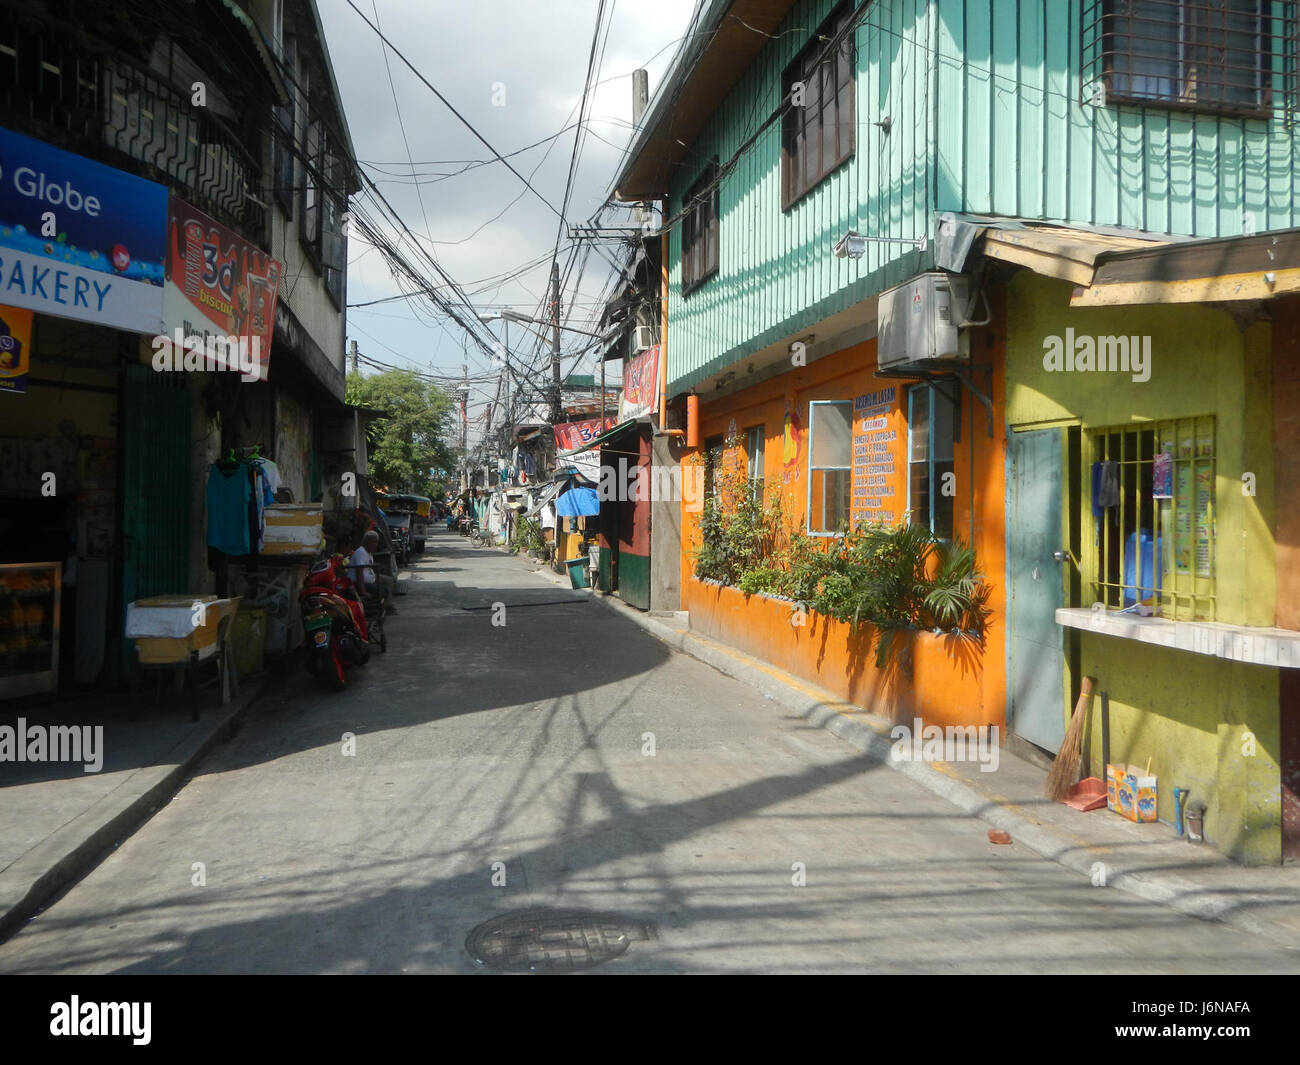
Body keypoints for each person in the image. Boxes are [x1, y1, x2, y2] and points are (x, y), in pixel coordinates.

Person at [349, 529, 397, 614]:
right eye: (374, 542)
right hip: (360, 583)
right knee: (384, 590)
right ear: (367, 542)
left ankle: (386, 606)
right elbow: (359, 573)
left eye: (377, 542)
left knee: (390, 580)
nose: (376, 544)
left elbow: (369, 569)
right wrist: (363, 591)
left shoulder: (369, 553)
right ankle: (384, 608)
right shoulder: (361, 552)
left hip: (371, 578)